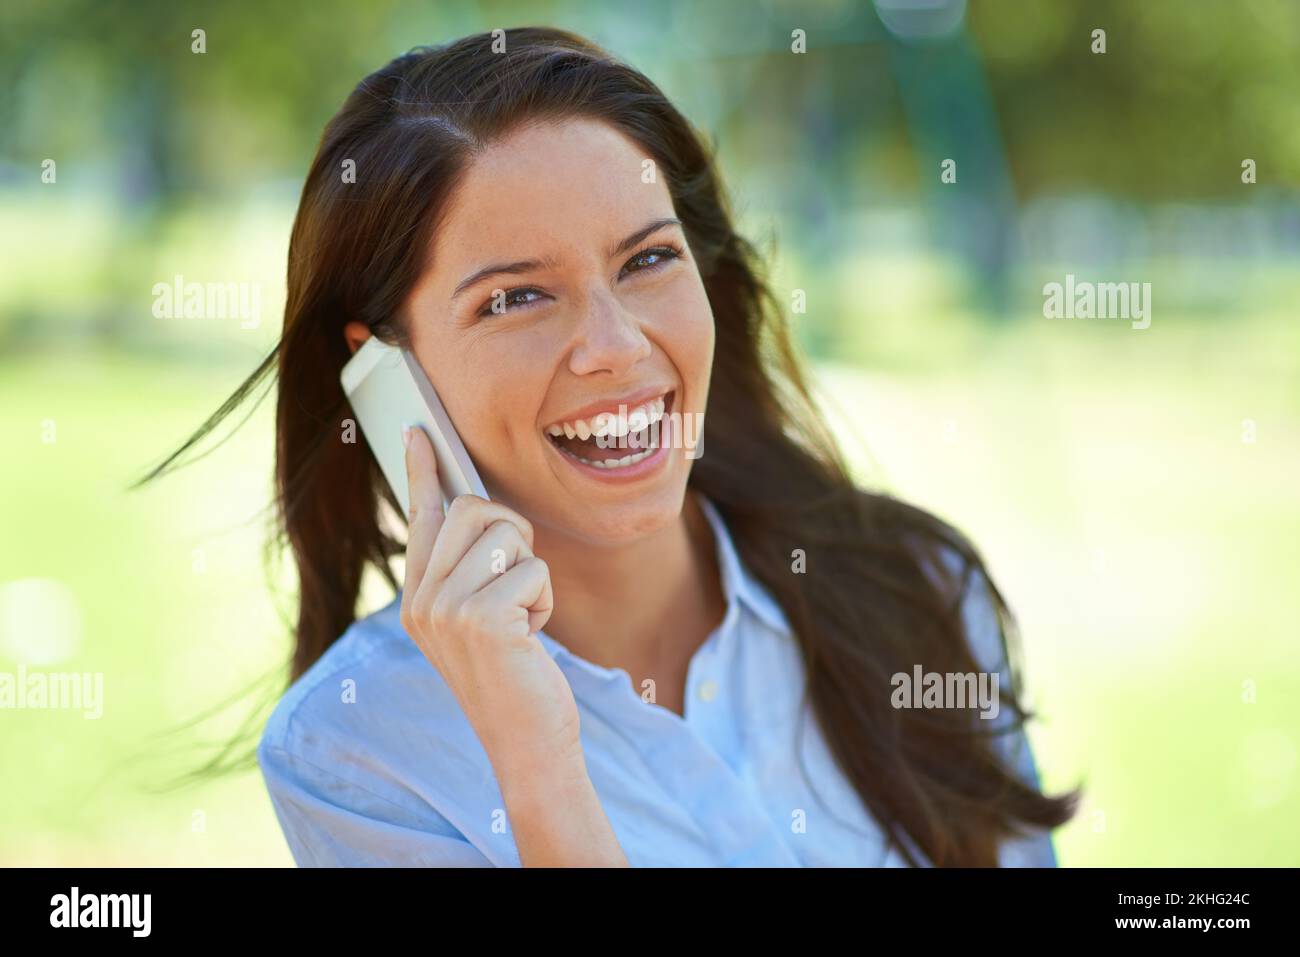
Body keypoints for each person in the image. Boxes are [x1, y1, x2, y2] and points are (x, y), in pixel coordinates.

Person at [181, 27, 1078, 866]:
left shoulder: (913, 590)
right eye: (516, 298)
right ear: (383, 369)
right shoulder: (357, 752)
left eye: (647, 260)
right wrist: (534, 760)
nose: (614, 346)